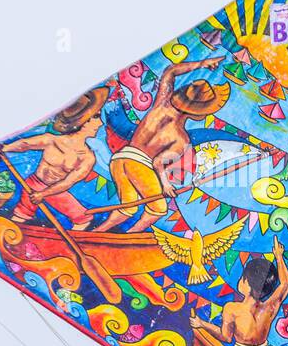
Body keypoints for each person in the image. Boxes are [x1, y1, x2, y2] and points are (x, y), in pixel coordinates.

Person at [97, 55, 229, 233]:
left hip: (120, 158)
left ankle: (98, 232)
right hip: (138, 165)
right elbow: (158, 162)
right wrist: (165, 184)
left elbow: (171, 71)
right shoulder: (181, 139)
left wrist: (201, 63)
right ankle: (129, 236)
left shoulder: (161, 104)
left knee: (128, 207)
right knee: (158, 209)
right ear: (200, 113)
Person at [0, 87, 108, 231]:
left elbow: (69, 182)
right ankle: (9, 234)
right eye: (96, 117)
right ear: (83, 121)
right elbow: (25, 144)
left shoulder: (87, 157)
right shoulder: (52, 140)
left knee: (83, 217)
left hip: (56, 191)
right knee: (21, 214)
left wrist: (44, 194)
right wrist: (5, 149)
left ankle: (68, 246)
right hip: (33, 184)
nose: (100, 124)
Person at [189, 238, 288, 346]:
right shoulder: (270, 307)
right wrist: (278, 256)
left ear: (246, 284)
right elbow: (286, 283)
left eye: (242, 278)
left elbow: (225, 337)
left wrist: (202, 324)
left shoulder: (232, 309)